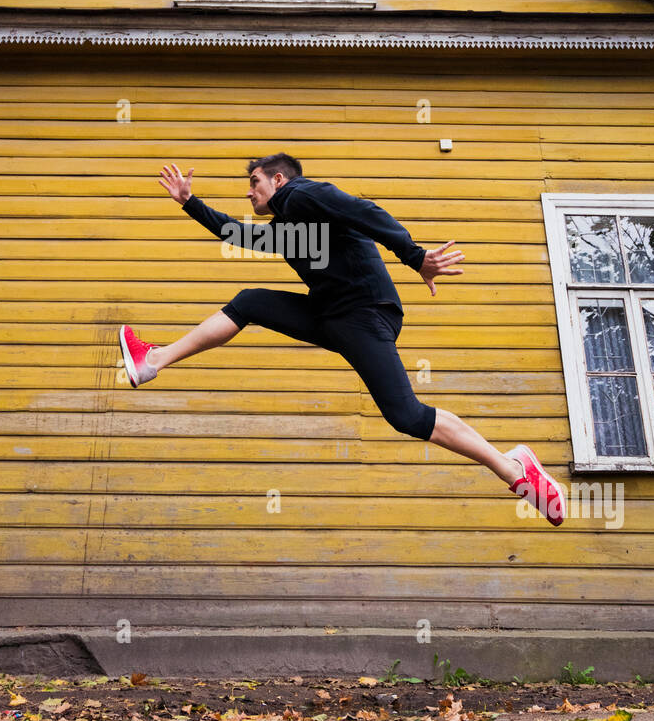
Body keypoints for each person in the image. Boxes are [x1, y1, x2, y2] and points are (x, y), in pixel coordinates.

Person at [119, 153, 566, 524]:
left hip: (363, 314)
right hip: (333, 316)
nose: (249, 191)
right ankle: (152, 361)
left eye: (255, 182)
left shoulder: (302, 194)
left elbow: (366, 211)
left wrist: (414, 257)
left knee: (406, 415)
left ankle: (514, 470)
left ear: (279, 179)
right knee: (250, 301)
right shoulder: (289, 230)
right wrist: (189, 202)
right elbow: (232, 232)